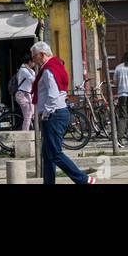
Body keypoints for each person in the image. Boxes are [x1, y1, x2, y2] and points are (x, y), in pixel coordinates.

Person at [31, 41, 94, 185]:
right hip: (58, 113)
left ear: (42, 55)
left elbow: (53, 95)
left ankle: (83, 180)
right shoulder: (56, 66)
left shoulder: (47, 71)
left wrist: (45, 114)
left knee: (55, 153)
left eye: (34, 56)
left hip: (54, 115)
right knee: (47, 154)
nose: (33, 59)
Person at [13, 56, 36, 131]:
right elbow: (33, 80)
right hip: (22, 94)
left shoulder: (32, 71)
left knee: (33, 114)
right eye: (33, 62)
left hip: (29, 95)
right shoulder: (23, 70)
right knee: (28, 115)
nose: (34, 64)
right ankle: (25, 134)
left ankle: (32, 131)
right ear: (29, 62)